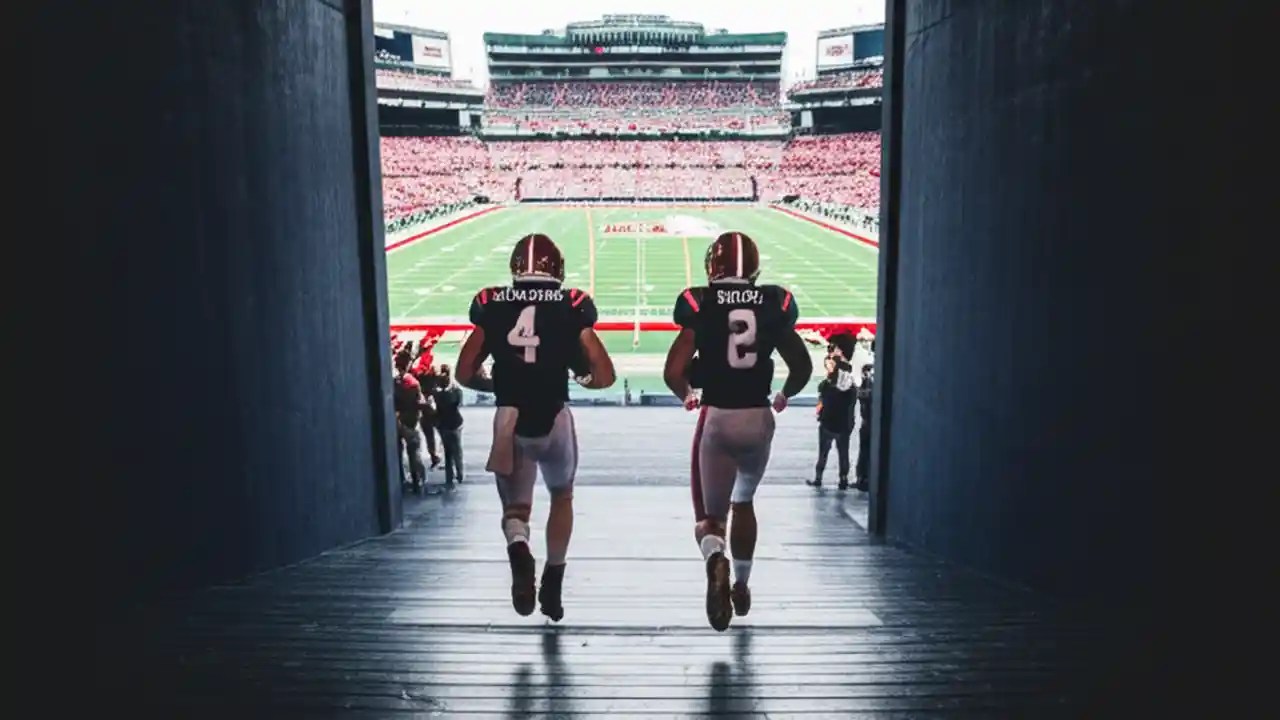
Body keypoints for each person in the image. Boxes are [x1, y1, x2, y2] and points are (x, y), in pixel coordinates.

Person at [454, 233, 616, 621]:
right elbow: (605, 374)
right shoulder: (571, 305)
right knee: (562, 497)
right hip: (554, 416)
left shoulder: (492, 304)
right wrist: (585, 379)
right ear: (557, 268)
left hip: (508, 419)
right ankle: (554, 584)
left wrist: (495, 384)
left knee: (515, 509)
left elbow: (464, 372)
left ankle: (519, 549)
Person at [663, 231, 813, 632]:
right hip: (758, 418)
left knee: (711, 521)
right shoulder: (773, 302)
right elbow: (801, 366)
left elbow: (673, 371)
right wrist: (784, 394)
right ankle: (743, 584)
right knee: (744, 501)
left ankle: (716, 561)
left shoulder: (701, 302)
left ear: (713, 267)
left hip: (719, 417)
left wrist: (687, 394)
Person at [809, 333, 858, 490]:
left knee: (826, 451)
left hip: (832, 420)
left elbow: (837, 390)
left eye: (833, 348)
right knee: (842, 452)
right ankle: (841, 479)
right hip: (842, 421)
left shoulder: (840, 374)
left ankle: (820, 477)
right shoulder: (847, 372)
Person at [392, 352, 428, 493]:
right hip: (411, 422)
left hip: (395, 421)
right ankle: (417, 481)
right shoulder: (413, 383)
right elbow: (419, 402)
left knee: (397, 453)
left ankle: (400, 479)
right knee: (414, 453)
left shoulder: (392, 381)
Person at [432, 364, 464, 488]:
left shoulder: (438, 392)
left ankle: (450, 477)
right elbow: (458, 404)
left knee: (448, 452)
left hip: (445, 423)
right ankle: (459, 474)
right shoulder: (456, 390)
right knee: (457, 450)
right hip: (454, 422)